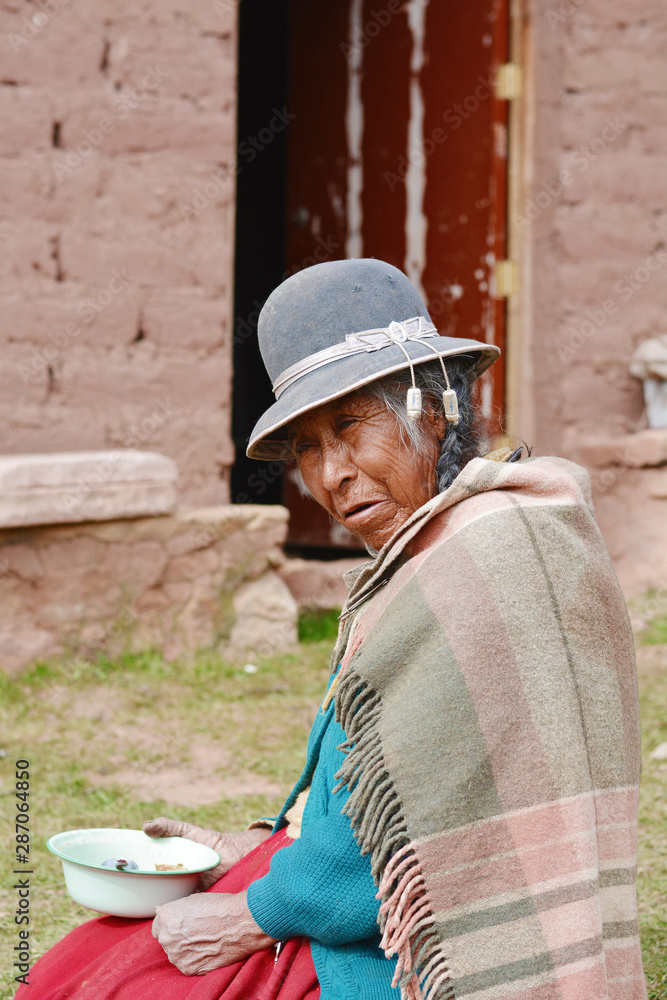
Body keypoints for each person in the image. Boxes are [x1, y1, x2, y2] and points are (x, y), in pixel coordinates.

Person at [20, 258, 647, 1000]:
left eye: (351, 426)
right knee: (85, 956)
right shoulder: (442, 545)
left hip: (441, 943)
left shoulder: (491, 550)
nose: (333, 474)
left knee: (119, 987)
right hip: (361, 884)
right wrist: (259, 850)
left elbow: (427, 827)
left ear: (434, 411)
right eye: (310, 447)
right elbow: (394, 786)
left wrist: (257, 912)